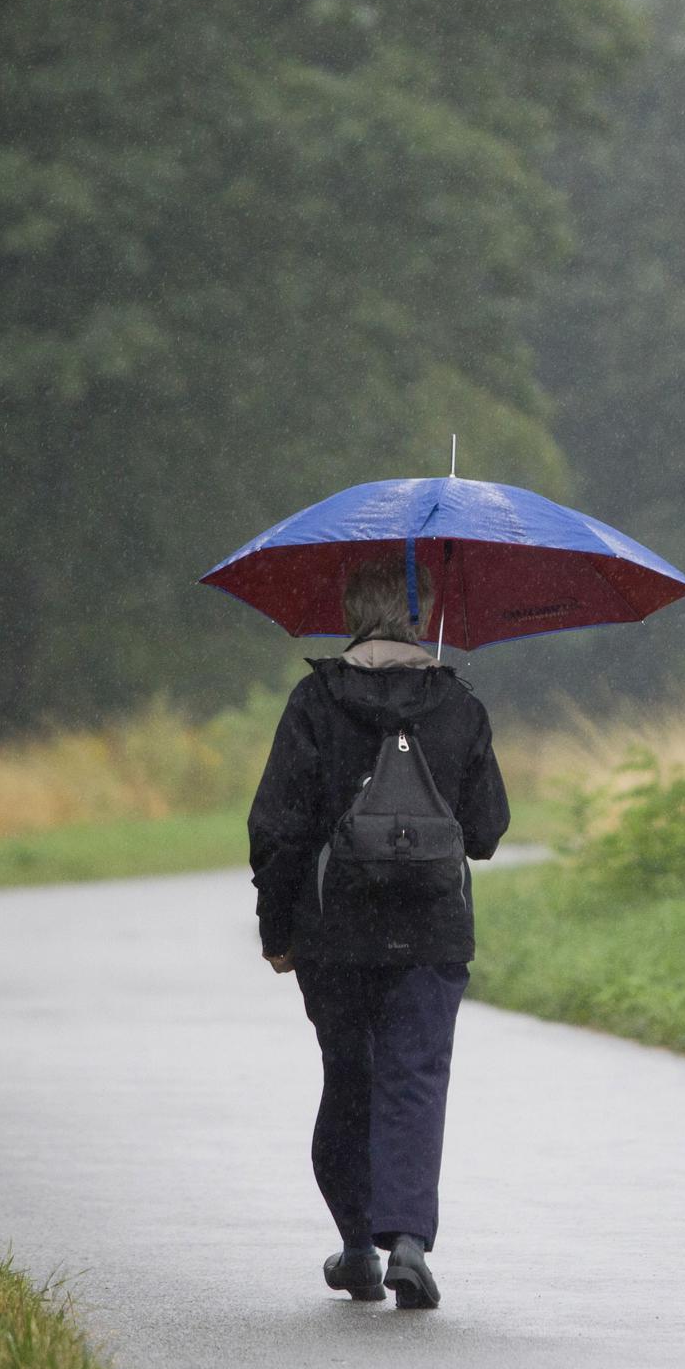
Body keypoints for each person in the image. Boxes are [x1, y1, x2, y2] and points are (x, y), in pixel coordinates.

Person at [247, 555, 509, 1309]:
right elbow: (487, 831)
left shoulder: (315, 700)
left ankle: (358, 1243)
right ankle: (410, 1243)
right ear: (422, 616)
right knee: (415, 1076)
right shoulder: (458, 704)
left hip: (336, 930)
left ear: (350, 610)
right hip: (432, 930)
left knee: (350, 1079)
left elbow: (279, 828)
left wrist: (277, 929)